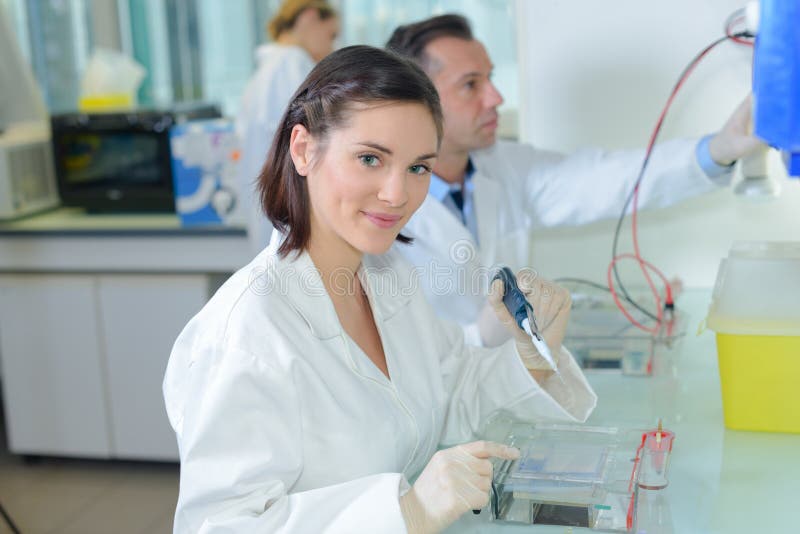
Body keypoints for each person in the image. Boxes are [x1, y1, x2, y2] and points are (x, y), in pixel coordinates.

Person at [163, 45, 596, 533]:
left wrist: (534, 353)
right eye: (370, 158)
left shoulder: (389, 277)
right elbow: (220, 525)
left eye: (417, 167)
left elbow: (452, 392)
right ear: (303, 149)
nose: (398, 194)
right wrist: (408, 512)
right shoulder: (246, 334)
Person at [386, 14, 765, 347]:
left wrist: (720, 148)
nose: (496, 97)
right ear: (416, 99)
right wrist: (476, 340)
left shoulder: (504, 167)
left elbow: (610, 179)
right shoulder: (378, 207)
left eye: (491, 78)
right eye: (471, 84)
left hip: (495, 395)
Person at [235, 0, 338, 253]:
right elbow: (317, 135)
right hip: (292, 210)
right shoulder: (291, 63)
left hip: (271, 211)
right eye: (331, 35)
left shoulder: (265, 72)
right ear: (309, 17)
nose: (331, 47)